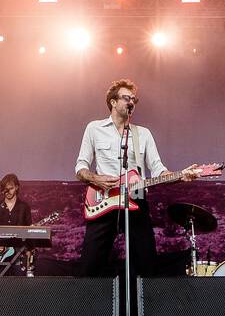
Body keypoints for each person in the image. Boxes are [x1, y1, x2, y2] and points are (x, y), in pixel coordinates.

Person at [74, 79, 199, 277]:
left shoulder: (143, 134)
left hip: (137, 196)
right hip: (103, 200)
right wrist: (95, 179)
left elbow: (158, 170)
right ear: (113, 102)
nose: (131, 102)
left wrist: (181, 175)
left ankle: (141, 304)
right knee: (90, 265)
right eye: (126, 98)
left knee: (146, 262)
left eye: (134, 99)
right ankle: (90, 305)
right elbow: (80, 167)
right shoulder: (94, 128)